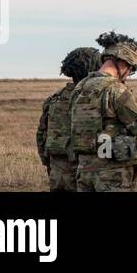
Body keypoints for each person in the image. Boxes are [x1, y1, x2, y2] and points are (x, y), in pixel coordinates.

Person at [69, 31, 137, 192]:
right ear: (122, 62)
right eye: (130, 68)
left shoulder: (80, 87)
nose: (128, 74)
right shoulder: (116, 90)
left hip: (84, 170)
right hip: (112, 173)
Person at [36, 46, 101, 191]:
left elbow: (42, 136)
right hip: (92, 173)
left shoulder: (54, 99)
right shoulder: (99, 96)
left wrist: (50, 165)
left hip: (60, 174)